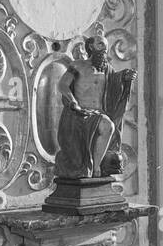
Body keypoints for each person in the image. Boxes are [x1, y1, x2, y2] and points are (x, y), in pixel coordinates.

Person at [54, 35, 136, 180]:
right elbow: (62, 85)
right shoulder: (78, 66)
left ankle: (96, 167)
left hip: (98, 114)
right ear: (90, 47)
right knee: (106, 126)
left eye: (105, 45)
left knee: (108, 126)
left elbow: (115, 86)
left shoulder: (107, 70)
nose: (105, 48)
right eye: (100, 44)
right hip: (79, 114)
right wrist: (74, 103)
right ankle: (93, 168)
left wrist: (125, 78)